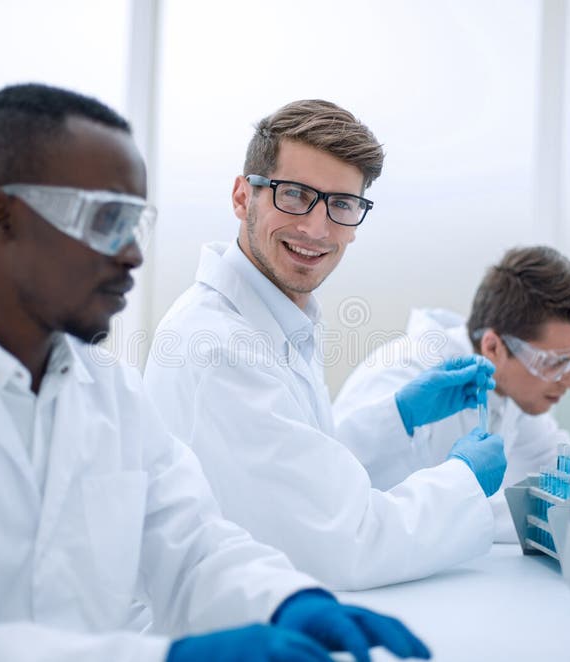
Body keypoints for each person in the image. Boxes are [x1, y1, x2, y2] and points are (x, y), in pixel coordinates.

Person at [0, 84, 431, 662]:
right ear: (1, 217)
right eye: (104, 219)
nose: (133, 254)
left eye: (136, 220)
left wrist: (284, 602)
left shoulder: (111, 393)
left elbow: (194, 543)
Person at [143, 99, 506, 591]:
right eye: (293, 194)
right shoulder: (219, 346)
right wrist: (464, 478)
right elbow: (342, 544)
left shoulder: (277, 319)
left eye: (341, 205)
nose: (316, 228)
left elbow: (301, 468)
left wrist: (398, 416)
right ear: (241, 197)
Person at [334, 246, 570, 540]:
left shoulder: (508, 392)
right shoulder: (402, 374)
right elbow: (342, 506)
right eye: (554, 363)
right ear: (494, 346)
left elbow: (556, 470)